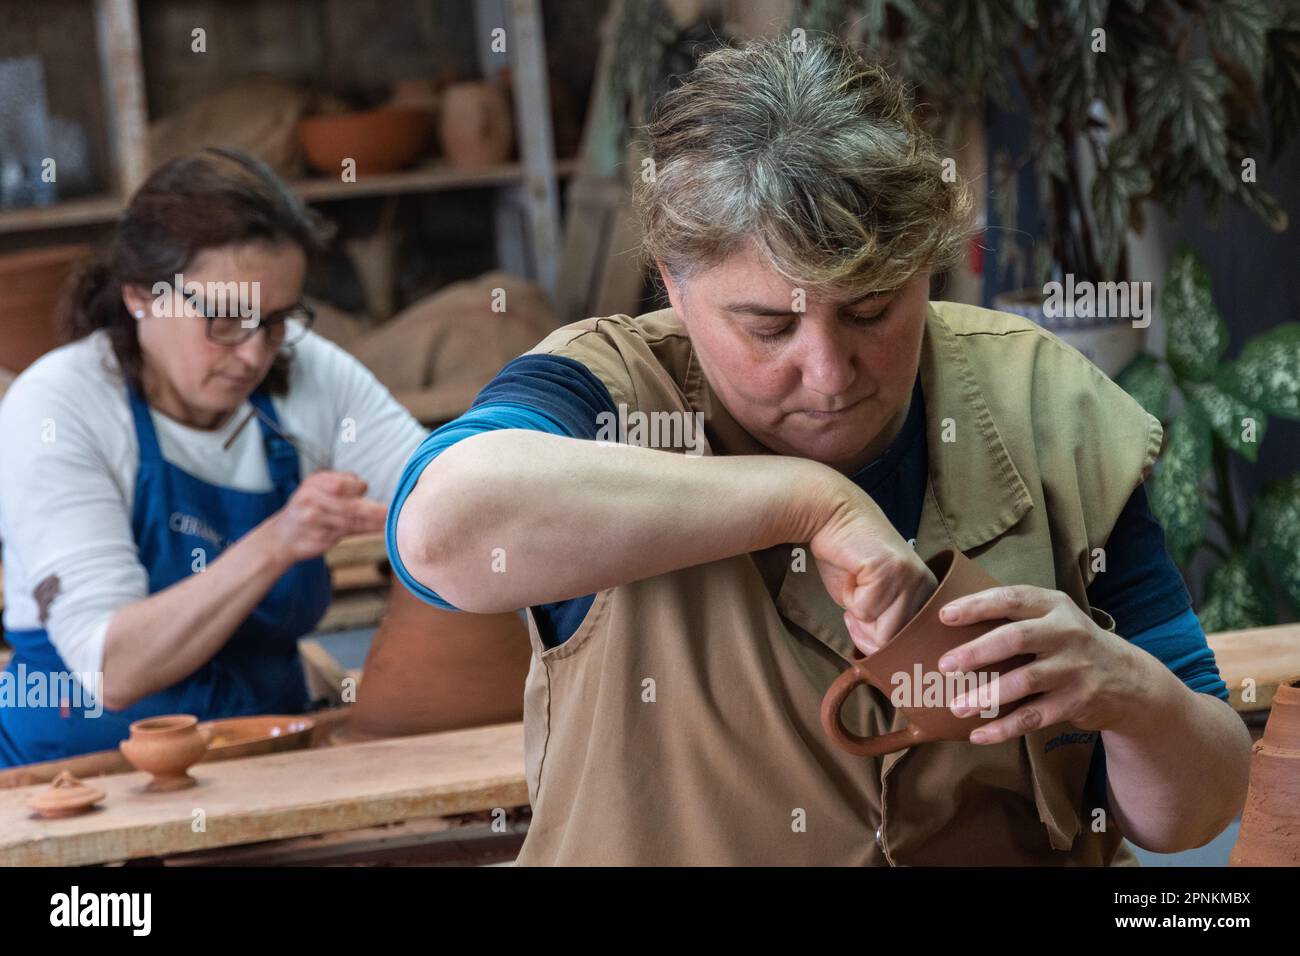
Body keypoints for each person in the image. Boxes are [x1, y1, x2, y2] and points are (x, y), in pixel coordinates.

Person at [388, 39, 1251, 865]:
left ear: (929, 268)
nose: (829, 371)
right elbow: (440, 534)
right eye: (768, 325)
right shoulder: (610, 390)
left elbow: (1196, 811)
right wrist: (811, 501)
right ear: (673, 282)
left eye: (873, 310)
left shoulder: (1046, 405)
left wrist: (1127, 693)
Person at [0, 148, 429, 766]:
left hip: (263, 757)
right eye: (226, 318)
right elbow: (113, 667)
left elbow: (436, 487)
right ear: (141, 296)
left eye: (277, 320)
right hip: (85, 778)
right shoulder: (59, 406)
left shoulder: (303, 368)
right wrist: (279, 540)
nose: (255, 354)